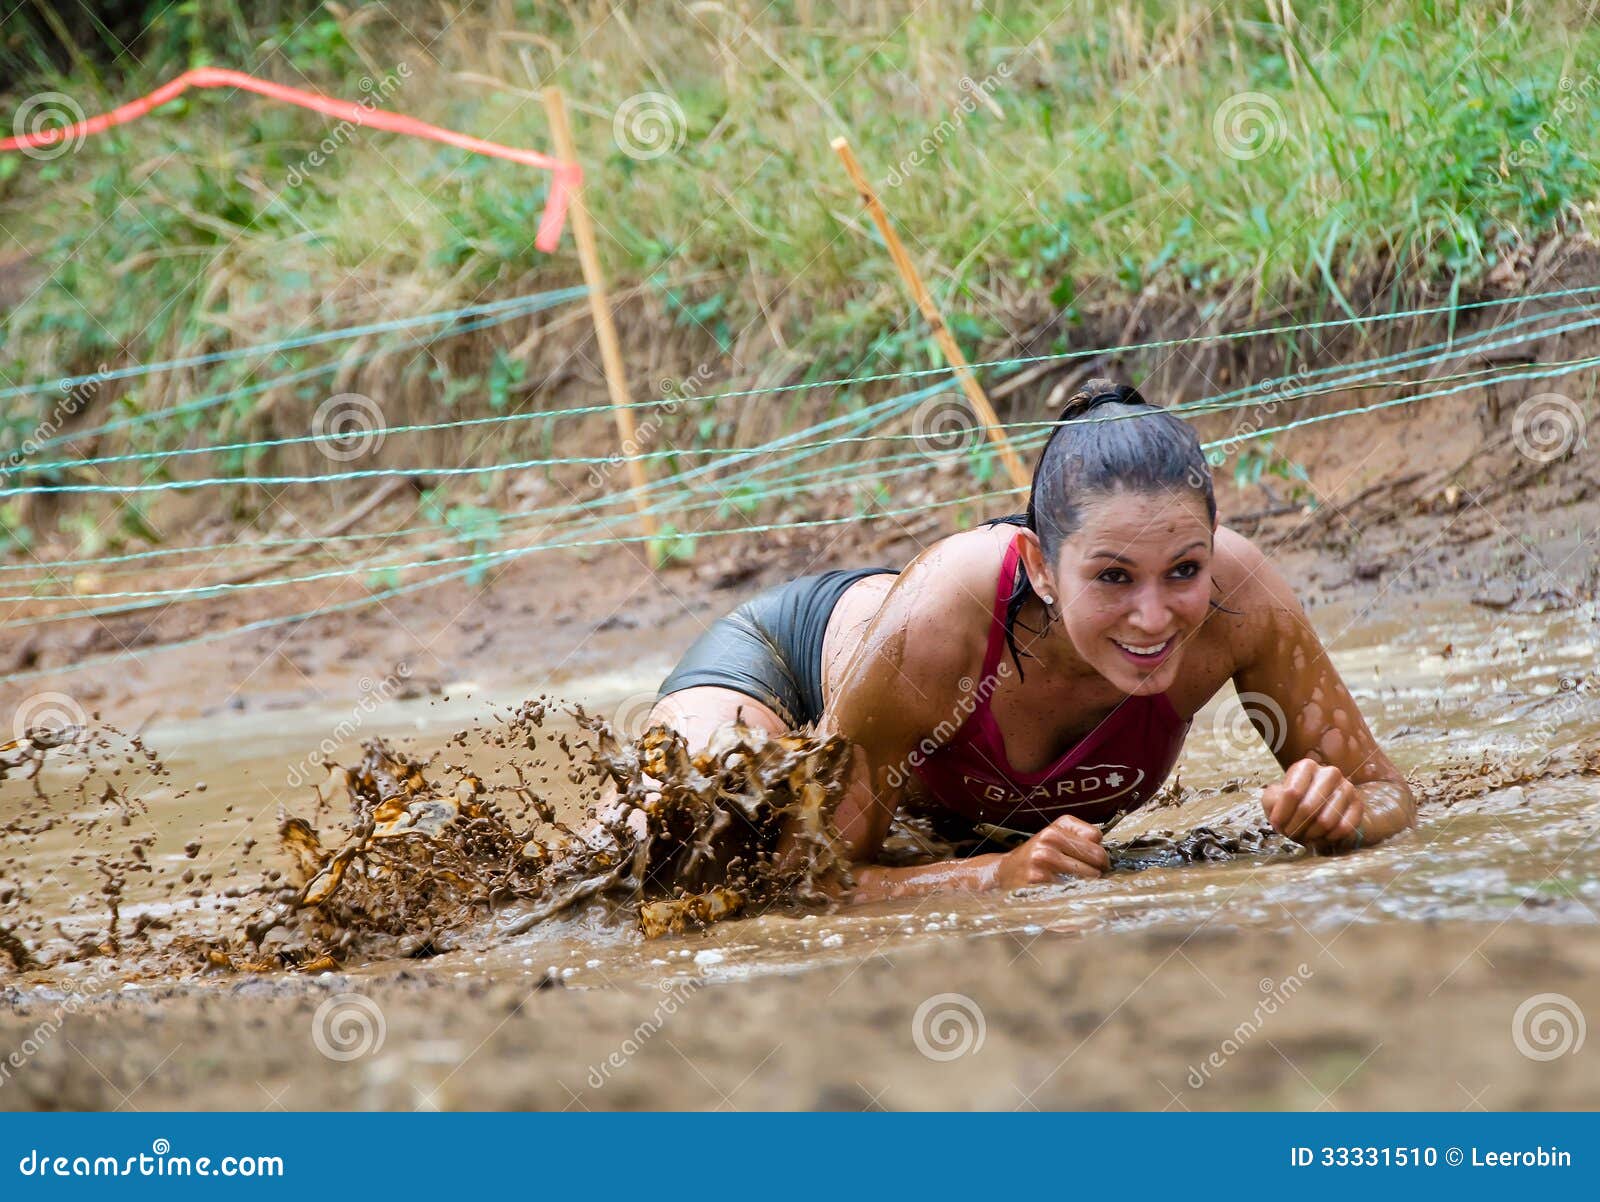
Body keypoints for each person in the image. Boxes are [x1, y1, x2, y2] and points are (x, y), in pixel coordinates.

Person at [635, 379, 1416, 902]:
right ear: (1041, 564)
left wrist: (1344, 810)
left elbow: (1388, 793)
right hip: (785, 661)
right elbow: (808, 882)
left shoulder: (1242, 598)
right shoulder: (943, 620)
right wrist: (986, 879)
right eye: (1113, 578)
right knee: (675, 862)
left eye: (1183, 569)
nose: (1153, 617)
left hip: (898, 684)